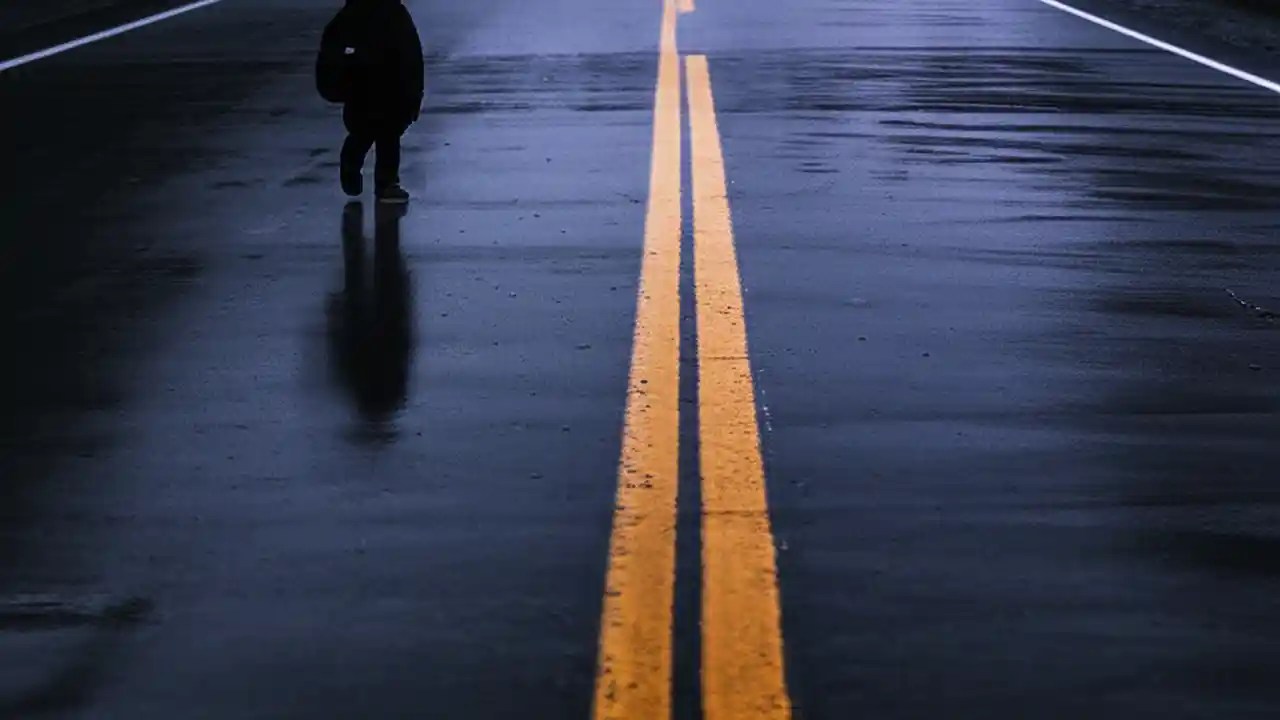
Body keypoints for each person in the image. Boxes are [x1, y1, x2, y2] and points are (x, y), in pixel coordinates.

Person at [318, 0, 424, 203]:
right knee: (374, 133)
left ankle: (381, 181)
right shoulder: (389, 14)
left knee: (381, 134)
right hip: (369, 84)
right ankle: (380, 181)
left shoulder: (363, 13)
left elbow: (411, 55)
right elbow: (413, 55)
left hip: (378, 85)